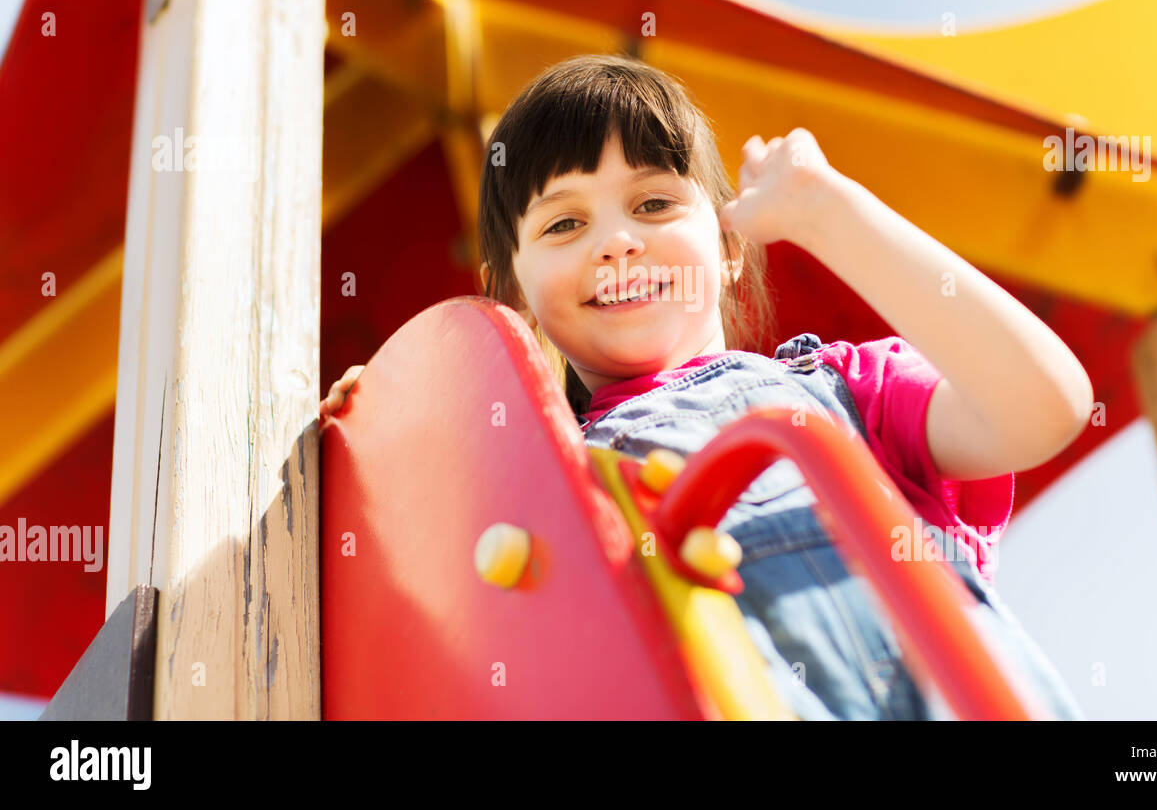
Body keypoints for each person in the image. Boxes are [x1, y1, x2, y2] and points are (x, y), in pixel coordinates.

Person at [321, 53, 1090, 720]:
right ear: (514, 300)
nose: (617, 240)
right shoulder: (549, 490)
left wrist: (829, 215)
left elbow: (1042, 405)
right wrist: (408, 438)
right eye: (564, 225)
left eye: (653, 204)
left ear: (725, 248)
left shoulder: (847, 391)